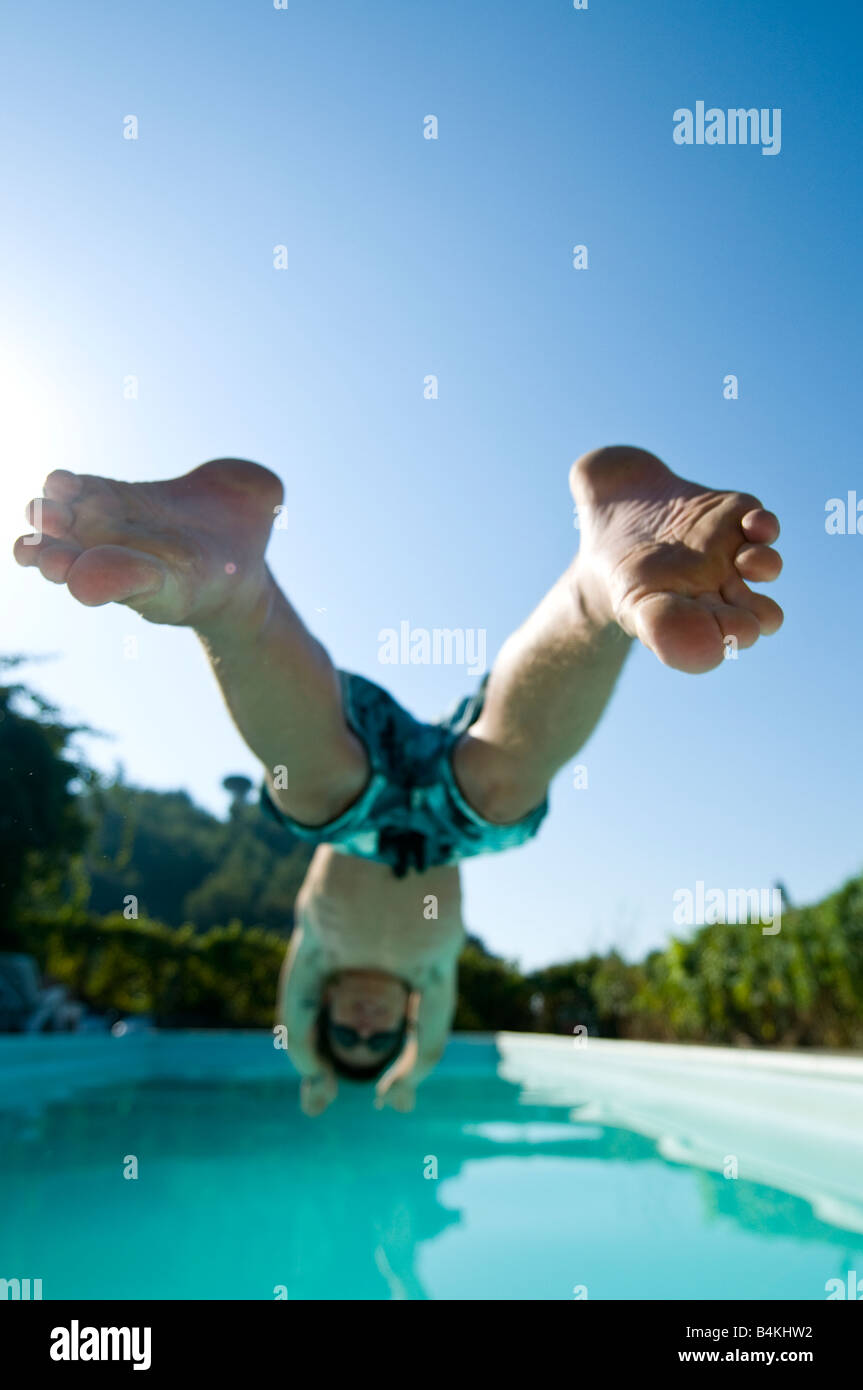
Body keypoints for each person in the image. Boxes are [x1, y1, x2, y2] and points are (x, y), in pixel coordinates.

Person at [14, 446, 783, 1113]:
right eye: (380, 1038)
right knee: (505, 791)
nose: (367, 1023)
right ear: (404, 1020)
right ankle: (596, 584)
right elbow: (434, 1030)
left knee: (313, 792)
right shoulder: (428, 971)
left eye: (344, 1033)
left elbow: (294, 1011)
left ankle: (231, 591)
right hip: (454, 813)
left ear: (320, 1016)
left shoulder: (316, 954)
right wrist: (413, 1068)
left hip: (357, 797)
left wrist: (313, 1072)